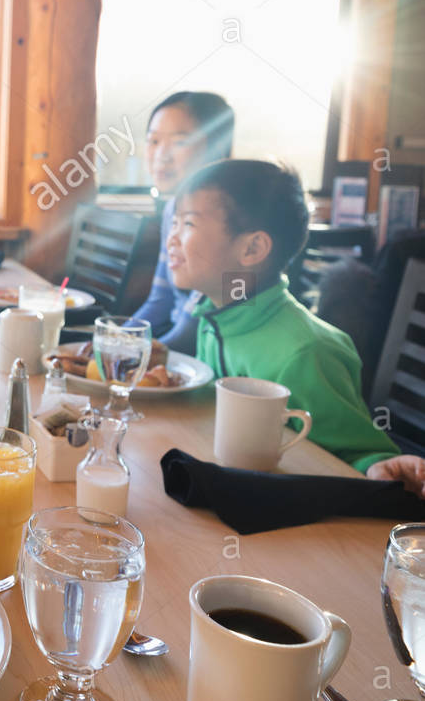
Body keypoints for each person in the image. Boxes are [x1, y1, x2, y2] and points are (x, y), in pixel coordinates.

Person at [165, 159, 425, 493]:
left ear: (253, 248)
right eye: (174, 222)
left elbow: (357, 453)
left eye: (187, 223)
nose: (172, 238)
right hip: (227, 483)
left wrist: (373, 465)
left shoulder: (305, 352)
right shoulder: (216, 314)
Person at [131, 92, 234, 355]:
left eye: (179, 142)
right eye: (153, 141)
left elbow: (195, 325)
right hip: (173, 341)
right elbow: (161, 299)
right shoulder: (172, 210)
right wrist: (115, 339)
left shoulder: (227, 219)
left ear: (218, 146)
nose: (161, 155)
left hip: (210, 353)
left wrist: (134, 356)